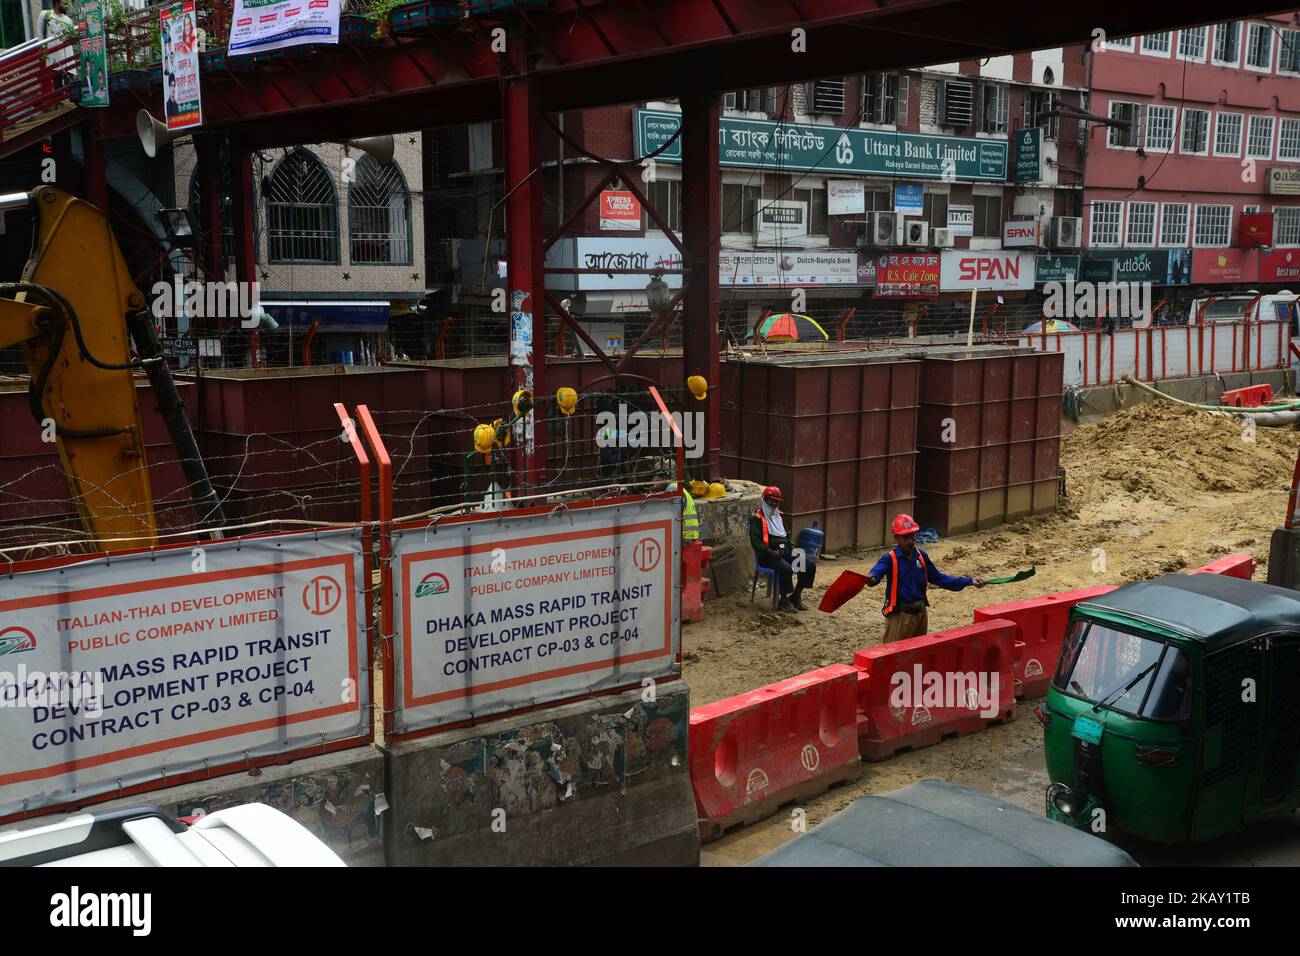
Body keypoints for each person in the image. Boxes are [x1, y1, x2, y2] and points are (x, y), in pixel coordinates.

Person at [865, 513, 984, 643]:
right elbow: (876, 574)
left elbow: (939, 578)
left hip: (920, 613)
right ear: (896, 538)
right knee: (894, 655)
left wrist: (969, 581)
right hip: (900, 616)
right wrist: (871, 578)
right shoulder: (890, 559)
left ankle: (917, 666)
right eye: (905, 538)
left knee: (919, 656)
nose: (910, 541)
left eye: (912, 536)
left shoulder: (921, 556)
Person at [749, 485, 816, 613]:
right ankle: (783, 601)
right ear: (765, 499)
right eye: (771, 500)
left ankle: (795, 596)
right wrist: (770, 552)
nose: (773, 504)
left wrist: (793, 549)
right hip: (768, 556)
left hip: (785, 553)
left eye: (776, 501)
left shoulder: (779, 516)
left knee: (808, 565)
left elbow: (788, 535)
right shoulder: (757, 518)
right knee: (786, 569)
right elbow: (755, 542)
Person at [38, 0, 77, 85]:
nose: (66, 6)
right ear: (56, 3)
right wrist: (43, 50)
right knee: (57, 84)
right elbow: (40, 33)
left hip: (68, 56)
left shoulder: (68, 20)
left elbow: (71, 38)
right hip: (54, 56)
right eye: (64, 4)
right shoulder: (45, 14)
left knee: (70, 85)